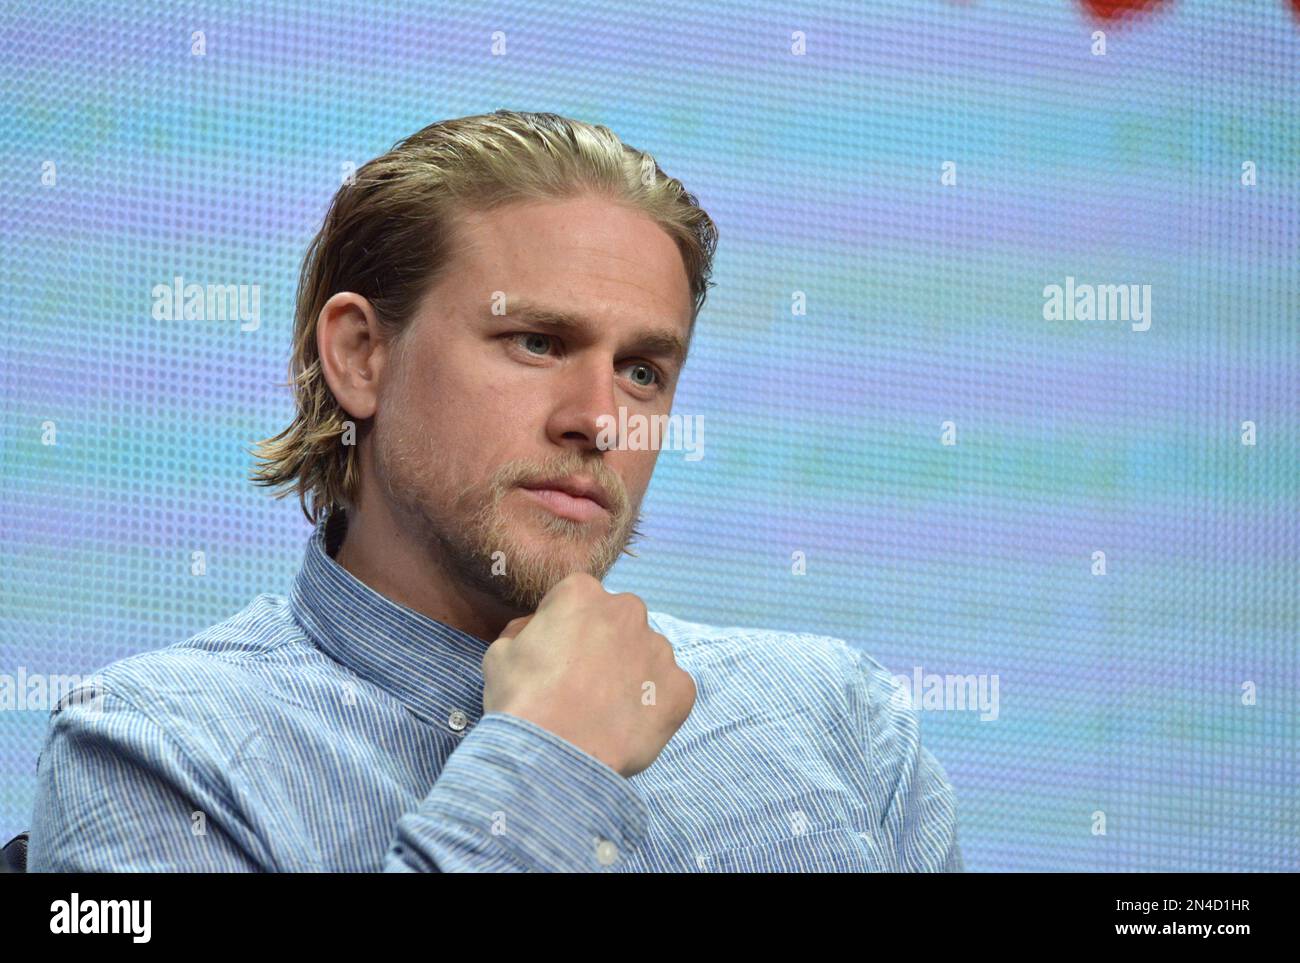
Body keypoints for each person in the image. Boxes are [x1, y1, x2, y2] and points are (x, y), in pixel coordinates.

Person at [27, 110, 962, 872]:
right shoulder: (155, 753)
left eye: (642, 369)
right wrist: (550, 758)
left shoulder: (834, 711)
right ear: (360, 355)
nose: (600, 419)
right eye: (538, 343)